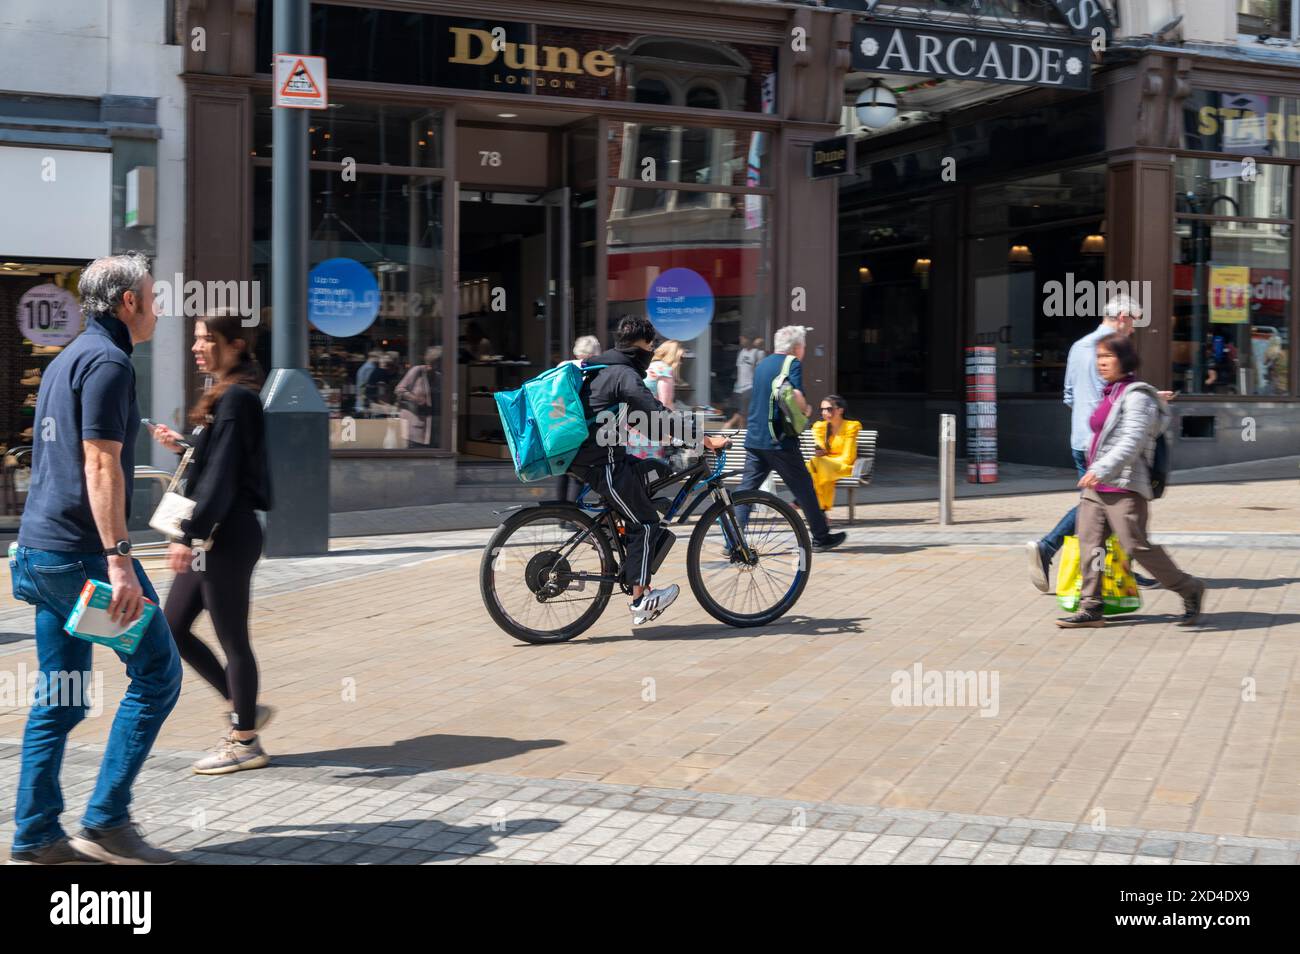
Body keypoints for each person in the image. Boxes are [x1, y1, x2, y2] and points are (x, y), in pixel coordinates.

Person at [8, 252, 183, 864]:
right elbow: (99, 463)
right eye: (153, 296)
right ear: (128, 302)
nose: (159, 308)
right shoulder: (109, 362)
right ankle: (106, 819)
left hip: (41, 557)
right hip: (82, 563)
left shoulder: (68, 360)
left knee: (60, 695)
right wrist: (119, 562)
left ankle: (35, 835)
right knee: (158, 673)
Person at [148, 310, 273, 774]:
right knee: (173, 628)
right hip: (215, 532)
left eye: (206, 339)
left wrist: (190, 535)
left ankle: (245, 740)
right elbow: (218, 461)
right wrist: (183, 447)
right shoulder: (224, 395)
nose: (197, 347)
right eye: (197, 339)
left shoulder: (238, 398)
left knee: (233, 638)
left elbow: (223, 478)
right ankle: (244, 706)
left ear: (235, 345)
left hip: (226, 534)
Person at [570, 315, 729, 624]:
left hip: (601, 456)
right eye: (650, 344)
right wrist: (704, 439)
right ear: (639, 345)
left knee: (654, 470)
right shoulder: (623, 373)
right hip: (602, 461)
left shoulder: (604, 368)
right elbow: (655, 412)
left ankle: (616, 540)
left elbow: (643, 417)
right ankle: (641, 597)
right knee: (645, 522)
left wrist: (676, 435)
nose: (652, 350)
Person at [1057, 334, 1206, 628]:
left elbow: (1132, 440)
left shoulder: (1137, 396)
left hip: (1124, 485)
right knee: (1091, 545)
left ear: (1124, 360)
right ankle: (1091, 607)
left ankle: (1188, 587)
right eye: (1098, 356)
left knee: (1136, 546)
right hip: (1097, 487)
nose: (1101, 362)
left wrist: (1101, 468)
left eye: (1108, 357)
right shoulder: (1109, 392)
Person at [1026, 295, 1162, 592]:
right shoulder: (1112, 350)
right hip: (1104, 442)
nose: (1133, 332)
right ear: (1124, 317)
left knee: (1099, 505)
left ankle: (1119, 570)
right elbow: (1115, 399)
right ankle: (1048, 547)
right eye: (1134, 324)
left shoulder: (1077, 347)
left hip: (1080, 438)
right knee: (1103, 504)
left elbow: (1069, 397)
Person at [737, 326, 846, 552]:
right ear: (797, 347)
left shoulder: (762, 365)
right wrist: (805, 410)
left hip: (756, 438)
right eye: (803, 345)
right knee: (804, 488)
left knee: (745, 493)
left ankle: (733, 541)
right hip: (780, 440)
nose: (803, 350)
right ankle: (820, 537)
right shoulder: (791, 363)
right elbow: (795, 395)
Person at [555, 336, 602, 502]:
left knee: (562, 469)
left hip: (559, 421)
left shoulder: (563, 366)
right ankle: (572, 516)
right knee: (578, 473)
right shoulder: (593, 369)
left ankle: (561, 514)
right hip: (581, 424)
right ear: (595, 352)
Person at [629, 340, 682, 464]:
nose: (680, 362)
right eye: (681, 357)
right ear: (673, 356)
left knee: (637, 469)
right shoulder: (664, 370)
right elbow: (665, 403)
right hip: (651, 428)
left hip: (634, 425)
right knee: (653, 471)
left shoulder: (647, 367)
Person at [807, 394, 861, 516]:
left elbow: (848, 457)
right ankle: (820, 512)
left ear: (840, 410)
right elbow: (820, 447)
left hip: (844, 466)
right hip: (824, 466)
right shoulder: (820, 427)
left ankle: (817, 510)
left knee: (818, 465)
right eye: (822, 409)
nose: (825, 412)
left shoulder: (851, 427)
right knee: (815, 465)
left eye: (829, 409)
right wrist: (820, 450)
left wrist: (826, 460)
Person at [396, 346, 442, 448]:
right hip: (414, 422)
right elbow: (399, 389)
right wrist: (414, 398)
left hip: (431, 425)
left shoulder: (439, 377)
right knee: (416, 450)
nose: (433, 367)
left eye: (438, 363)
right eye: (433, 363)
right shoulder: (417, 371)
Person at [724, 335, 765, 429]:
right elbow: (739, 370)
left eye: (743, 338)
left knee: (744, 414)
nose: (741, 340)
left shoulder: (758, 353)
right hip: (739, 388)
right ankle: (734, 429)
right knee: (742, 414)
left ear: (749, 339)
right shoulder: (742, 352)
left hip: (750, 387)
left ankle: (730, 425)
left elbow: (760, 372)